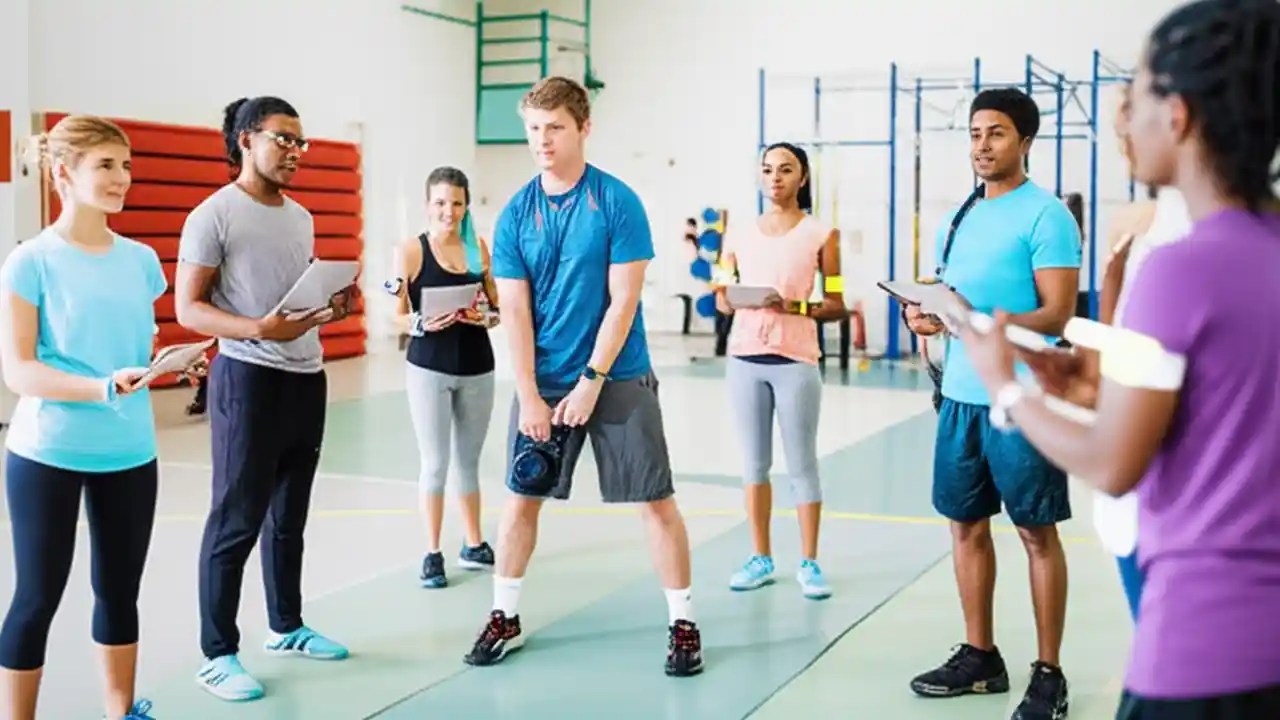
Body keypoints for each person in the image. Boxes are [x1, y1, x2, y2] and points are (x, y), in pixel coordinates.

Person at [959, 1, 1280, 716]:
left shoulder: (1180, 267)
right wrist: (1097, 388)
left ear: (1181, 114)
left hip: (1207, 651)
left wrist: (1007, 387)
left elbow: (1113, 462)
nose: (1121, 120)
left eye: (1135, 97)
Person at [461, 76, 704, 677]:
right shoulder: (517, 212)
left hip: (618, 374)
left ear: (583, 128)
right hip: (543, 380)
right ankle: (504, 616)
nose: (542, 141)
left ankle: (682, 623)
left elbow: (623, 301)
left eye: (555, 128)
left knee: (656, 502)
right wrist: (529, 393)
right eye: (533, 130)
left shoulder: (617, 202)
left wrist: (592, 380)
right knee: (520, 503)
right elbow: (514, 309)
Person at [903, 87, 1079, 719]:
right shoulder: (966, 213)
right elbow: (956, 298)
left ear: (1025, 141)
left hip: (1023, 397)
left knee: (1035, 533)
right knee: (965, 525)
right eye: (976, 134)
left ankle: (1049, 672)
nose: (982, 145)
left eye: (996, 133)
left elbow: (1056, 312)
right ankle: (981, 657)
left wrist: (985, 322)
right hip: (959, 397)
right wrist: (931, 316)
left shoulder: (1048, 216)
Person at [174, 96, 354, 702]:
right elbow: (188, 308)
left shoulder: (301, 217)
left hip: (307, 376)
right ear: (247, 139)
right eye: (285, 139)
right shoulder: (214, 214)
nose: (296, 152)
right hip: (248, 379)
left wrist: (331, 307)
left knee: (289, 519)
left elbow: (292, 298)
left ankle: (287, 626)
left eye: (302, 143)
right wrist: (258, 330)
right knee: (236, 518)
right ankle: (217, 652)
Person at [0, 116, 170, 720]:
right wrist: (100, 387)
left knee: (120, 593)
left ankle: (120, 710)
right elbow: (18, 372)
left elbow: (131, 350)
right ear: (62, 173)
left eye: (125, 165)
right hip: (48, 451)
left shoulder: (143, 260)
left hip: (130, 450)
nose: (122, 178)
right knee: (36, 597)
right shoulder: (31, 261)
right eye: (105, 165)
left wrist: (164, 369)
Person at [713, 141, 844, 600]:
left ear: (803, 177)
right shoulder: (737, 236)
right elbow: (719, 295)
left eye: (786, 169)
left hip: (796, 361)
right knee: (754, 464)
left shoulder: (823, 236)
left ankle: (810, 562)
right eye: (767, 169)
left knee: (802, 463)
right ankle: (760, 557)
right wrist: (736, 297)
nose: (775, 177)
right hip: (745, 359)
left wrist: (792, 304)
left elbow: (834, 304)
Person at [388, 166, 499, 588]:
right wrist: (420, 322)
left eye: (456, 203)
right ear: (426, 205)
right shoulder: (410, 252)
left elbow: (498, 309)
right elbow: (392, 314)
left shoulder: (479, 250)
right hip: (428, 366)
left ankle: (474, 543)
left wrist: (483, 316)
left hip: (477, 365)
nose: (448, 211)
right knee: (435, 464)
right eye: (440, 202)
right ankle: (432, 553)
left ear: (466, 206)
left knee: (469, 462)